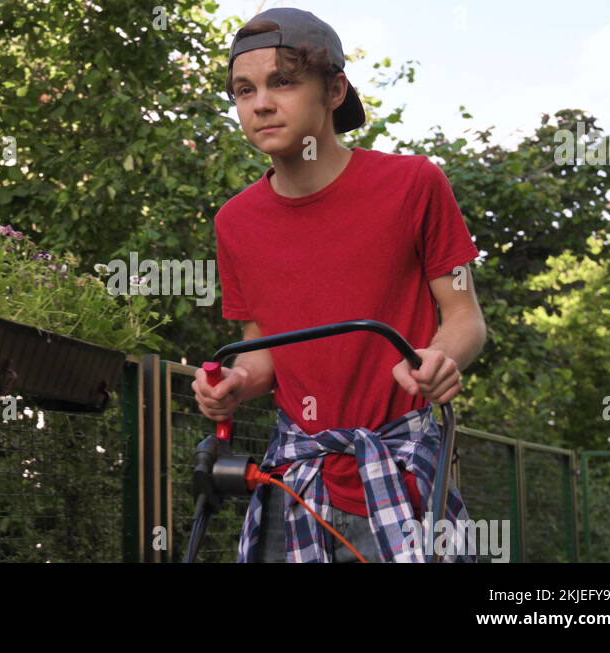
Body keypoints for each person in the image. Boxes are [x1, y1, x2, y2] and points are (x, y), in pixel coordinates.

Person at [192, 8, 487, 562]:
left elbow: (465, 318)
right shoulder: (235, 222)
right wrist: (233, 382)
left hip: (399, 471)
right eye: (243, 89)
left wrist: (440, 358)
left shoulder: (414, 184)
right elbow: (265, 356)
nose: (260, 103)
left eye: (283, 81)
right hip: (294, 479)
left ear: (333, 90)